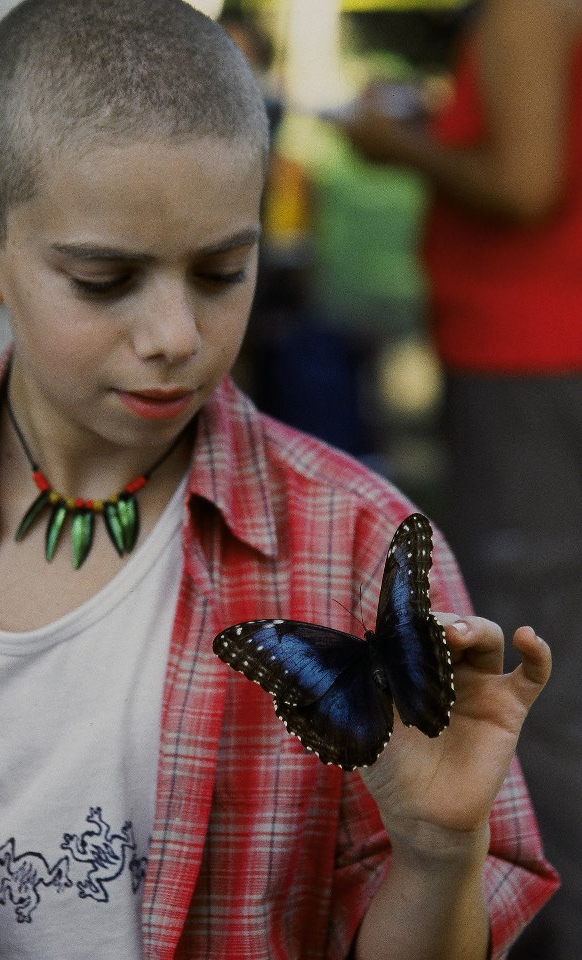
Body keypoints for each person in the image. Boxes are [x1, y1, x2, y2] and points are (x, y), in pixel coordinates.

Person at [0, 2, 558, 958]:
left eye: (222, 271)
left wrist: (438, 850)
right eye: (105, 281)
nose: (175, 338)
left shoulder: (359, 541)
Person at [335, 1, 581, 955]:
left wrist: (394, 144)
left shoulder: (528, 8)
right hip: (539, 358)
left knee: (531, 658)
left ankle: (550, 925)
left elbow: (524, 183)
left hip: (527, 358)